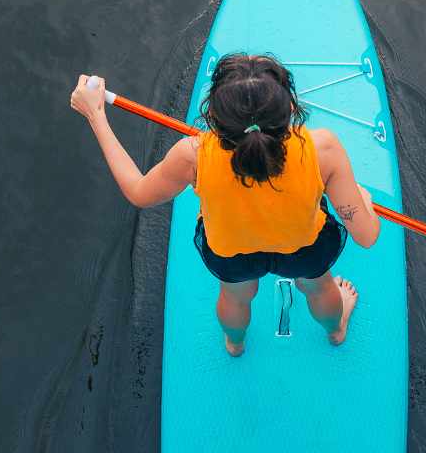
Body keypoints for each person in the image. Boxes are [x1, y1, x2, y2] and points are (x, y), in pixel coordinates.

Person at [69, 53, 381, 355]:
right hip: (304, 248)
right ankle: (335, 330)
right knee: (319, 288)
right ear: (291, 108)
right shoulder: (323, 148)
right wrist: (362, 201)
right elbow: (366, 236)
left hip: (231, 253)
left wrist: (97, 117)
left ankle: (235, 344)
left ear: (213, 116)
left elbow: (138, 191)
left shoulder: (192, 155)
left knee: (235, 296)